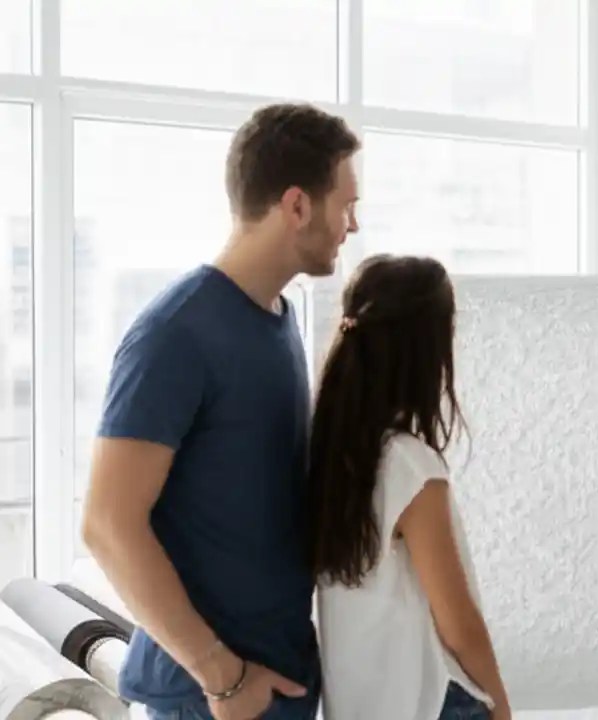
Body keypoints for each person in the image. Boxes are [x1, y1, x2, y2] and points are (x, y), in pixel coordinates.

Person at [82, 103, 361, 720]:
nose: (354, 224)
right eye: (346, 205)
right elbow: (107, 523)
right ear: (297, 206)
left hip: (279, 685)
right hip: (211, 699)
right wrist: (223, 677)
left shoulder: (282, 320)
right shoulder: (175, 332)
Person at [310, 255, 511, 720]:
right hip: (430, 703)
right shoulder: (410, 466)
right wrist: (502, 707)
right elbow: (457, 623)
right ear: (427, 350)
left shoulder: (328, 459)